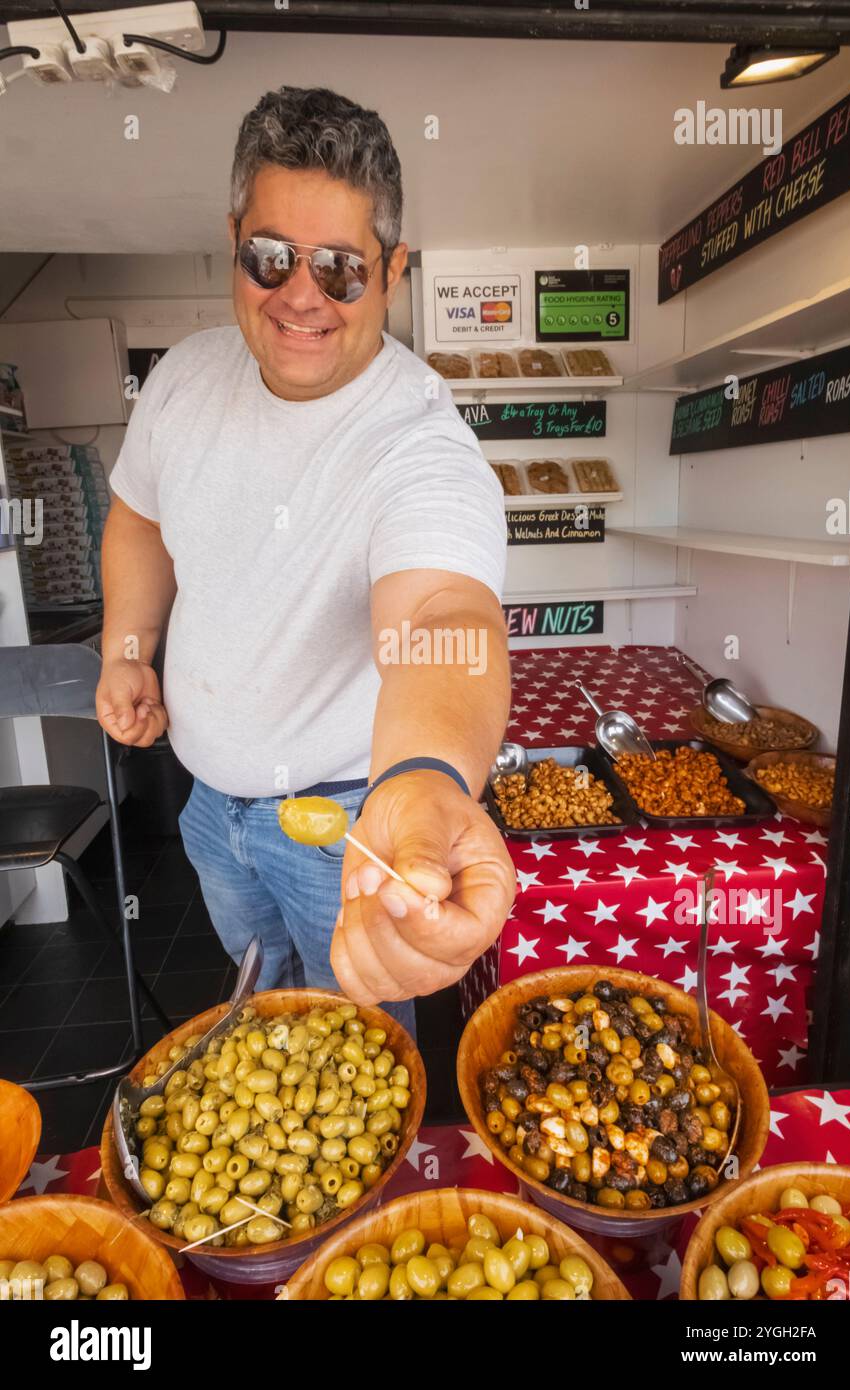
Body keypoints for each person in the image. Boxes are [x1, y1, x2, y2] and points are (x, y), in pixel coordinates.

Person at [96, 86, 515, 1034]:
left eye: (339, 268)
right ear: (234, 238)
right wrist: (128, 646)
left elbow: (441, 612)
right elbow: (137, 518)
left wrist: (424, 781)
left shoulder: (419, 440)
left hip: (344, 832)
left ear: (393, 269)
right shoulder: (182, 379)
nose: (300, 294)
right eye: (271, 256)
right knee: (259, 1020)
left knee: (357, 1063)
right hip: (208, 810)